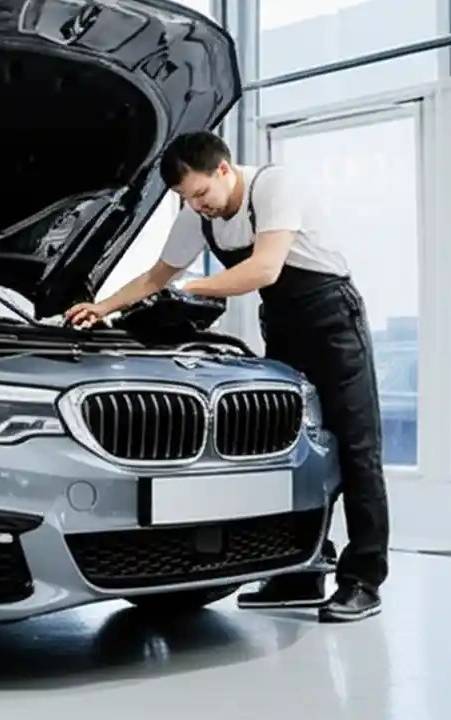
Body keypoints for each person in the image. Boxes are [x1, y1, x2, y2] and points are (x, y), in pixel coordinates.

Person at [65, 131, 389, 623]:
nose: (198, 205)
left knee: (356, 448)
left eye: (200, 193)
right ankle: (301, 573)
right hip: (283, 322)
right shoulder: (199, 213)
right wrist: (103, 306)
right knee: (294, 448)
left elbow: (264, 269)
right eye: (185, 199)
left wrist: (189, 288)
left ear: (223, 169)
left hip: (332, 321)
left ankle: (363, 579)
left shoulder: (274, 187)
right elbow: (156, 276)